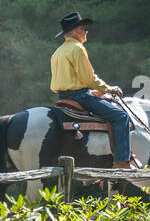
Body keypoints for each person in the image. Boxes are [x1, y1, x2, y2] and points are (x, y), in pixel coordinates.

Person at [49, 12, 133, 168]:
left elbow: (73, 80)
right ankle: (122, 161)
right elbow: (88, 79)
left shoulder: (57, 52)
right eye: (83, 28)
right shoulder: (77, 48)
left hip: (63, 97)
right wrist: (109, 89)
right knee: (121, 116)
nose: (86, 32)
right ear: (75, 32)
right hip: (80, 96)